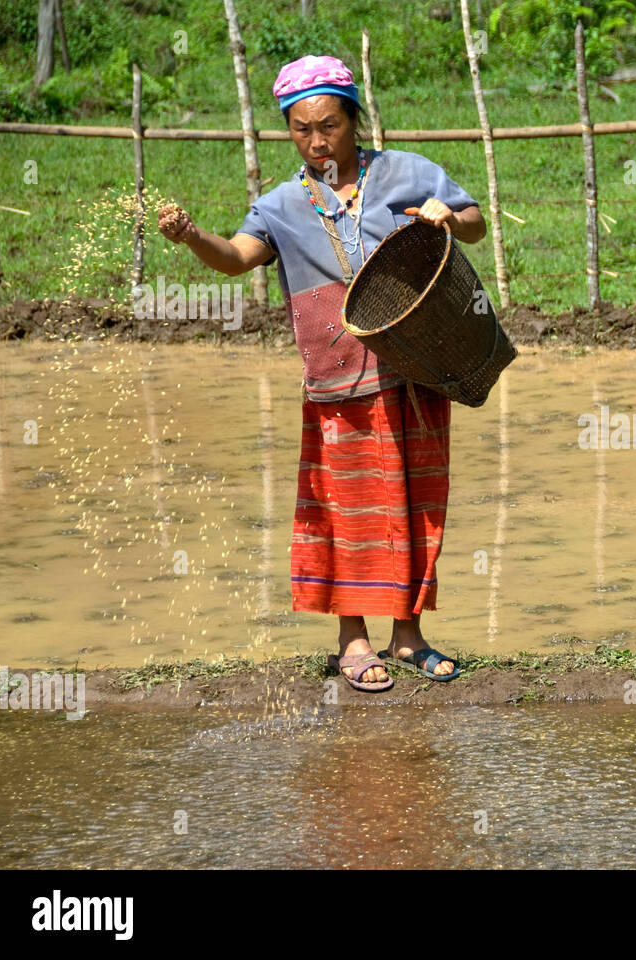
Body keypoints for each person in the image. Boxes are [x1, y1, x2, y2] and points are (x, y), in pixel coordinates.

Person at [158, 54, 487, 691]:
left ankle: (409, 637)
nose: (317, 141)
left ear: (354, 120)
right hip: (338, 385)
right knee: (345, 513)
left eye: (329, 126)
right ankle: (353, 641)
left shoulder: (406, 173)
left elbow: (472, 223)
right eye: (302, 129)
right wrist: (192, 236)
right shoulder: (281, 205)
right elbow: (234, 259)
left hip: (416, 373)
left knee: (416, 506)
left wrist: (448, 216)